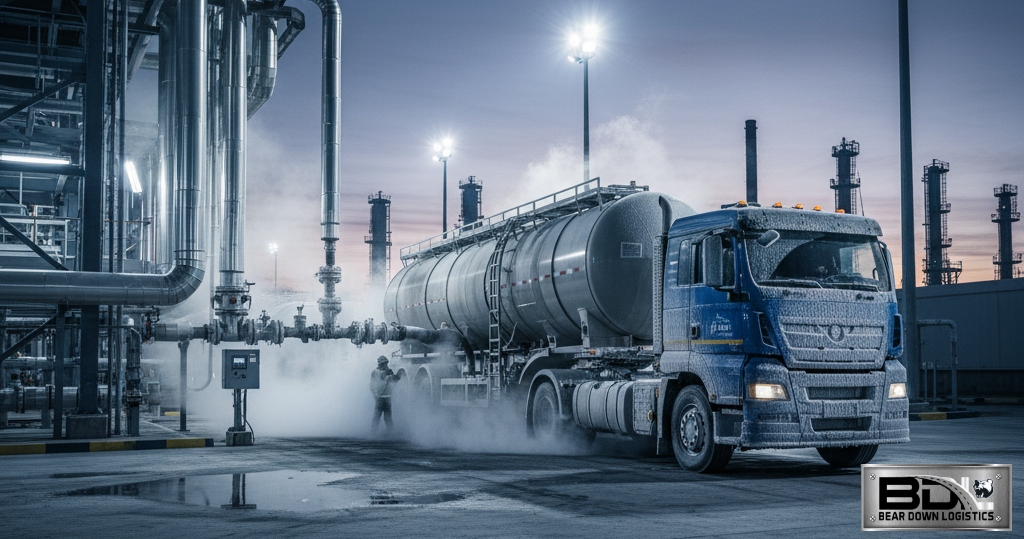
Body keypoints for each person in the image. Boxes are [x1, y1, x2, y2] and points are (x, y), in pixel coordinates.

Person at [370, 355, 402, 432]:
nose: (386, 365)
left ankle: (390, 433)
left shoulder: (388, 371)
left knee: (387, 418)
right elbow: (373, 385)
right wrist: (375, 395)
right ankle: (373, 433)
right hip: (380, 398)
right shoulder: (376, 372)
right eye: (384, 363)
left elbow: (394, 381)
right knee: (377, 417)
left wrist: (397, 376)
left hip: (387, 398)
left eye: (386, 363)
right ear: (380, 364)